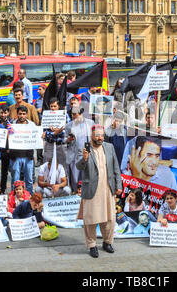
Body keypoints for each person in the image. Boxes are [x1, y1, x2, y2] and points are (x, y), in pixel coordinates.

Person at [76, 125, 122, 258]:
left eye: (102, 135)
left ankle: (107, 242)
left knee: (109, 219)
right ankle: (91, 245)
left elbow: (116, 168)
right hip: (91, 188)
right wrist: (84, 158)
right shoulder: (84, 148)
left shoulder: (109, 147)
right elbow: (78, 167)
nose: (100, 138)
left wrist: (119, 185)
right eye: (97, 135)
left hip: (108, 188)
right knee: (91, 219)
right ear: (91, 135)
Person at [65, 106, 94, 192]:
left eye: (75, 114)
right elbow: (64, 140)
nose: (73, 117)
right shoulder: (68, 126)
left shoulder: (90, 123)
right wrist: (68, 140)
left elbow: (92, 138)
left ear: (81, 114)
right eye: (72, 115)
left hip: (86, 154)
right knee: (75, 180)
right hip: (74, 156)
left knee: (87, 178)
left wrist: (88, 152)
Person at [9, 106, 36, 194]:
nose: (22, 116)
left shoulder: (32, 125)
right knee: (15, 179)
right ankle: (13, 197)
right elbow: (8, 138)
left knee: (29, 179)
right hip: (15, 156)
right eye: (20, 114)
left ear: (27, 115)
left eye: (24, 114)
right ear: (17, 114)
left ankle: (29, 196)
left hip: (28, 156)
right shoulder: (11, 125)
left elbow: (35, 137)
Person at [0, 104, 12, 194]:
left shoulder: (10, 123)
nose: (3, 115)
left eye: (5, 113)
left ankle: (2, 189)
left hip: (6, 150)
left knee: (4, 172)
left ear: (8, 113)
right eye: (1, 113)